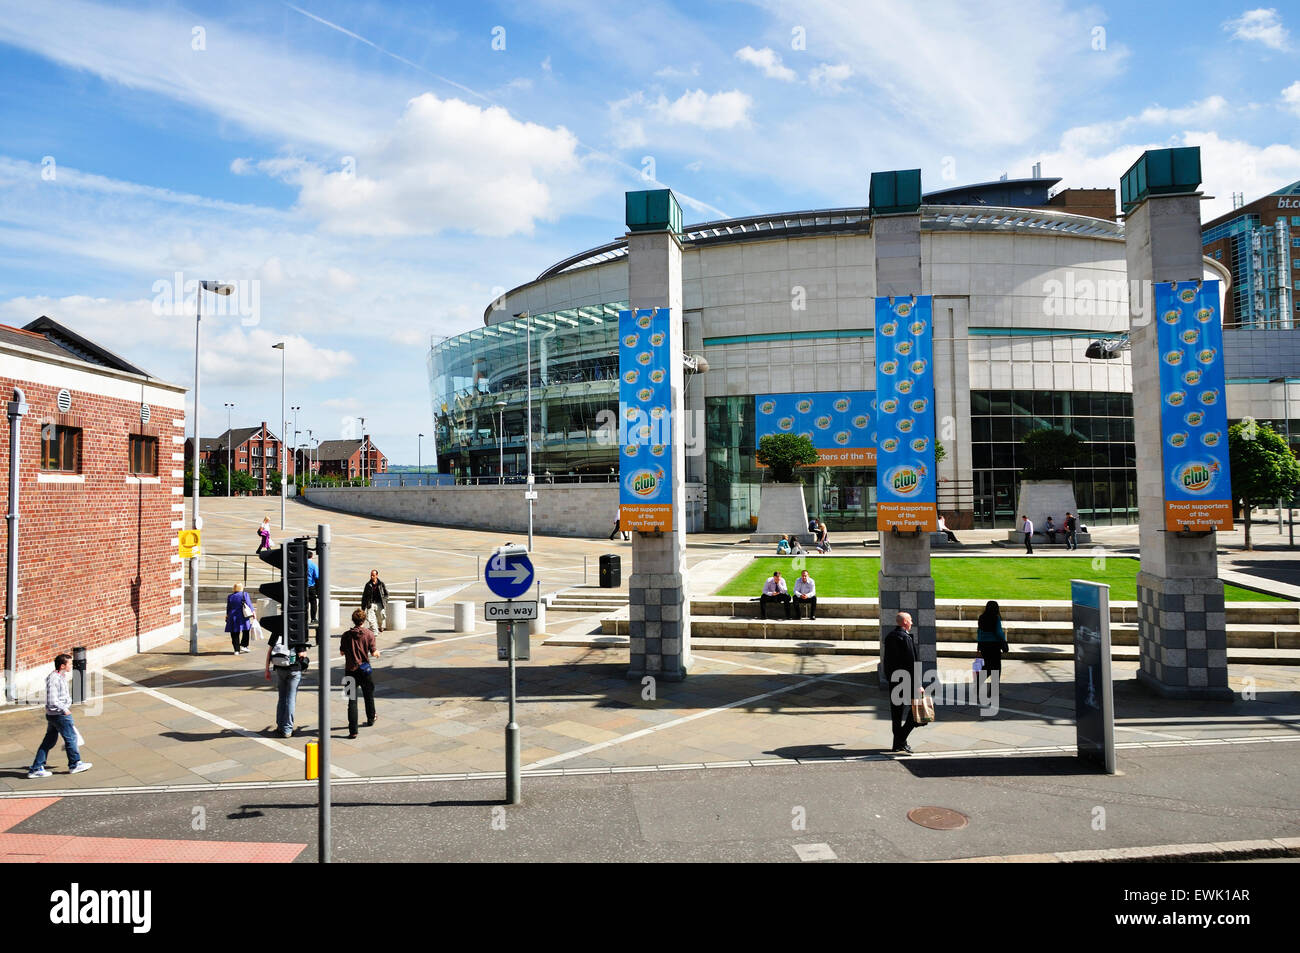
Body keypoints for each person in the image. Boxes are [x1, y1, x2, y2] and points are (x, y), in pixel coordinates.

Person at [26, 653, 92, 778]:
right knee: (71, 738)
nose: (71, 666)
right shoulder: (54, 679)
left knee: (49, 741)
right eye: (69, 664)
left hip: (55, 715)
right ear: (62, 666)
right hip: (60, 715)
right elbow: (52, 700)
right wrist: (64, 709)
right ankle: (75, 764)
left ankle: (36, 768)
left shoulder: (59, 676)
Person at [883, 612, 921, 754]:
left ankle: (897, 744)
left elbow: (887, 661)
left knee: (896, 714)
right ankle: (902, 738)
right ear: (905, 622)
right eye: (910, 620)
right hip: (908, 680)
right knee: (916, 711)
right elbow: (912, 663)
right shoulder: (905, 638)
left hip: (894, 680)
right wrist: (918, 684)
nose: (912, 622)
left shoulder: (890, 637)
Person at [340, 608, 381, 739]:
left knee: (351, 701)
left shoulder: (346, 635)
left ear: (353, 620)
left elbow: (342, 652)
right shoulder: (369, 634)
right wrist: (377, 653)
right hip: (364, 671)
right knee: (368, 695)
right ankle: (371, 718)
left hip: (350, 671)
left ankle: (353, 730)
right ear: (364, 620)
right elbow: (374, 652)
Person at [265, 630, 309, 738]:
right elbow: (301, 654)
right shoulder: (297, 630)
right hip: (293, 670)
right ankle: (287, 729)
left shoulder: (277, 630)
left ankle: (280, 725)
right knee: (290, 699)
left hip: (280, 668)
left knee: (282, 697)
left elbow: (270, 651)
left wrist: (267, 669)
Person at [975, 600, 1009, 689]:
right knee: (996, 668)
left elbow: (979, 632)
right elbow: (998, 633)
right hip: (994, 646)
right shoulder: (996, 618)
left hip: (984, 646)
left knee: (987, 666)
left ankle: (977, 685)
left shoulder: (981, 617)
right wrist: (1004, 642)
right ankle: (993, 691)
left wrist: (979, 645)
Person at [225, 582, 256, 654]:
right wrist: (253, 612)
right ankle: (244, 646)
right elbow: (249, 604)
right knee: (246, 630)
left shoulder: (230, 596)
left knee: (234, 633)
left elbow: (228, 608)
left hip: (233, 616)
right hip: (243, 615)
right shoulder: (244, 594)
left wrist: (227, 615)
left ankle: (236, 650)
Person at [362, 569, 388, 634]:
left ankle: (380, 626)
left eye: (373, 575)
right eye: (371, 575)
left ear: (377, 575)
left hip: (379, 603)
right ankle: (374, 632)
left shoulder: (381, 584)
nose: (372, 577)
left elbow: (386, 594)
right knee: (371, 619)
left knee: (381, 618)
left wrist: (384, 601)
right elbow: (364, 596)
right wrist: (363, 608)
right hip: (371, 604)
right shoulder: (368, 585)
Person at [306, 554, 320, 625]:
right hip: (311, 587)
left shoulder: (302, 564)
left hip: (303, 587)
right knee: (313, 603)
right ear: (311, 556)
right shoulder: (313, 565)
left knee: (304, 604)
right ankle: (313, 618)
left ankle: (305, 619)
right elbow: (317, 576)